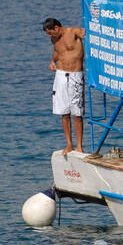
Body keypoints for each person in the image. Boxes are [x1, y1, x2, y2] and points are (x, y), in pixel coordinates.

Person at [44, 17, 85, 155]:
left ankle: (79, 146)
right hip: (60, 76)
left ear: (56, 27)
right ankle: (69, 144)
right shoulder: (54, 39)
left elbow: (88, 34)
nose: (49, 36)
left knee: (77, 113)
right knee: (64, 112)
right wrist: (52, 61)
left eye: (50, 33)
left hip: (75, 75)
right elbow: (57, 51)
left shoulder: (73, 32)